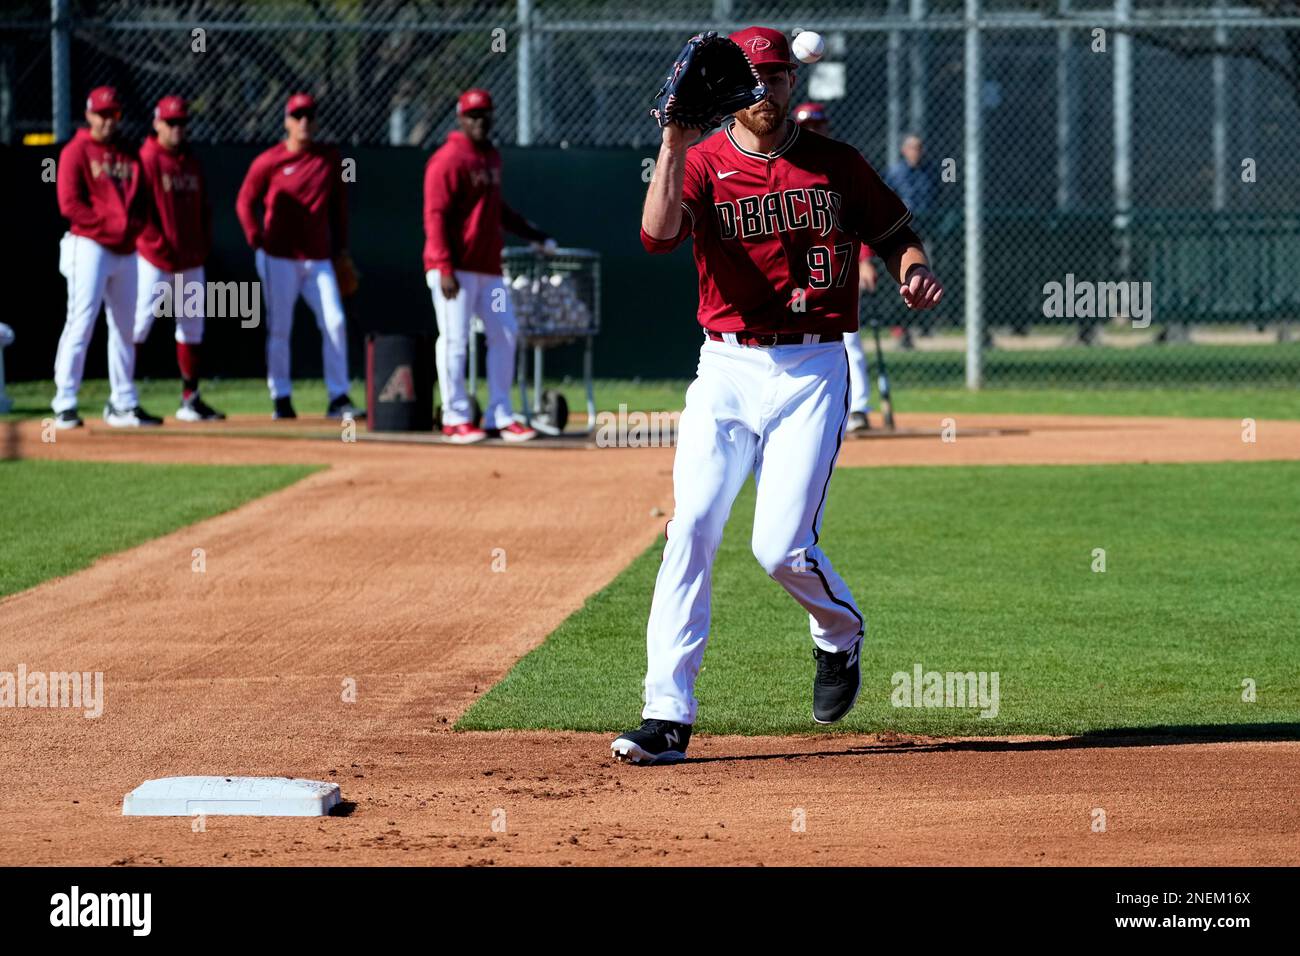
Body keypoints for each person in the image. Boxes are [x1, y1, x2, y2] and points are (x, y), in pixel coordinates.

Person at [611, 27, 943, 764]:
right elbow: (656, 237)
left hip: (812, 370)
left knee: (780, 548)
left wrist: (912, 269)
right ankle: (667, 715)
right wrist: (671, 140)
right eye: (754, 78)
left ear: (796, 82)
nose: (768, 89)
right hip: (726, 369)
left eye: (779, 76)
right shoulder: (701, 163)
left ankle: (839, 633)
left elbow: (897, 234)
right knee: (691, 525)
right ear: (732, 89)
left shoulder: (836, 165)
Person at [423, 87, 554, 444]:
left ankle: (499, 414)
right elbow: (435, 217)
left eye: (485, 114)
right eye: (473, 115)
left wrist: (531, 233)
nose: (480, 120)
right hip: (455, 270)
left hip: (488, 271)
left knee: (505, 331)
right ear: (461, 118)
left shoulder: (490, 157)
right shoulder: (448, 159)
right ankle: (455, 417)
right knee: (455, 340)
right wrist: (445, 267)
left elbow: (495, 209)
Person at [236, 92, 360, 420]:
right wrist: (255, 237)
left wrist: (341, 250)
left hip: (318, 258)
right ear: (287, 121)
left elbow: (339, 206)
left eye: (309, 116)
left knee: (334, 321)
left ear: (316, 121)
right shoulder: (269, 161)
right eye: (297, 116)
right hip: (279, 257)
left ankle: (338, 397)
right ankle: (281, 397)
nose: (303, 122)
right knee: (280, 327)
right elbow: (244, 201)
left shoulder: (330, 159)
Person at [53, 86, 161, 428]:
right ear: (88, 115)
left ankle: (122, 402)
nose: (107, 121)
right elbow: (70, 204)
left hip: (126, 249)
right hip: (89, 245)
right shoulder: (75, 151)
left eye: (112, 114)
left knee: (125, 328)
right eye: (101, 114)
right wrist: (111, 225)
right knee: (82, 321)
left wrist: (132, 227)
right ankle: (65, 401)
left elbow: (144, 200)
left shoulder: (129, 154)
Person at [134, 95, 224, 421]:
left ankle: (190, 398)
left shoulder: (190, 161)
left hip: (189, 260)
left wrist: (201, 246)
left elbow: (204, 209)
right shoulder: (146, 159)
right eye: (171, 122)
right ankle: (122, 397)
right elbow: (138, 211)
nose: (176, 129)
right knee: (138, 325)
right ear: (157, 123)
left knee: (192, 329)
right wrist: (156, 244)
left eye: (182, 123)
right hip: (154, 259)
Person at [793, 102, 875, 433]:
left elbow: (863, 219)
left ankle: (858, 408)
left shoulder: (842, 165)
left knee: (848, 339)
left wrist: (865, 261)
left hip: (836, 271)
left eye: (819, 125)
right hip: (793, 274)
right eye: (807, 126)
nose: (814, 131)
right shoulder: (784, 161)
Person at [884, 134, 939, 346]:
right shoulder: (895, 173)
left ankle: (925, 324)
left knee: (926, 277)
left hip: (926, 234)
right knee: (903, 280)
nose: (916, 152)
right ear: (903, 150)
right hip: (901, 236)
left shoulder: (931, 172)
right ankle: (901, 329)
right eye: (912, 148)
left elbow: (937, 199)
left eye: (919, 148)